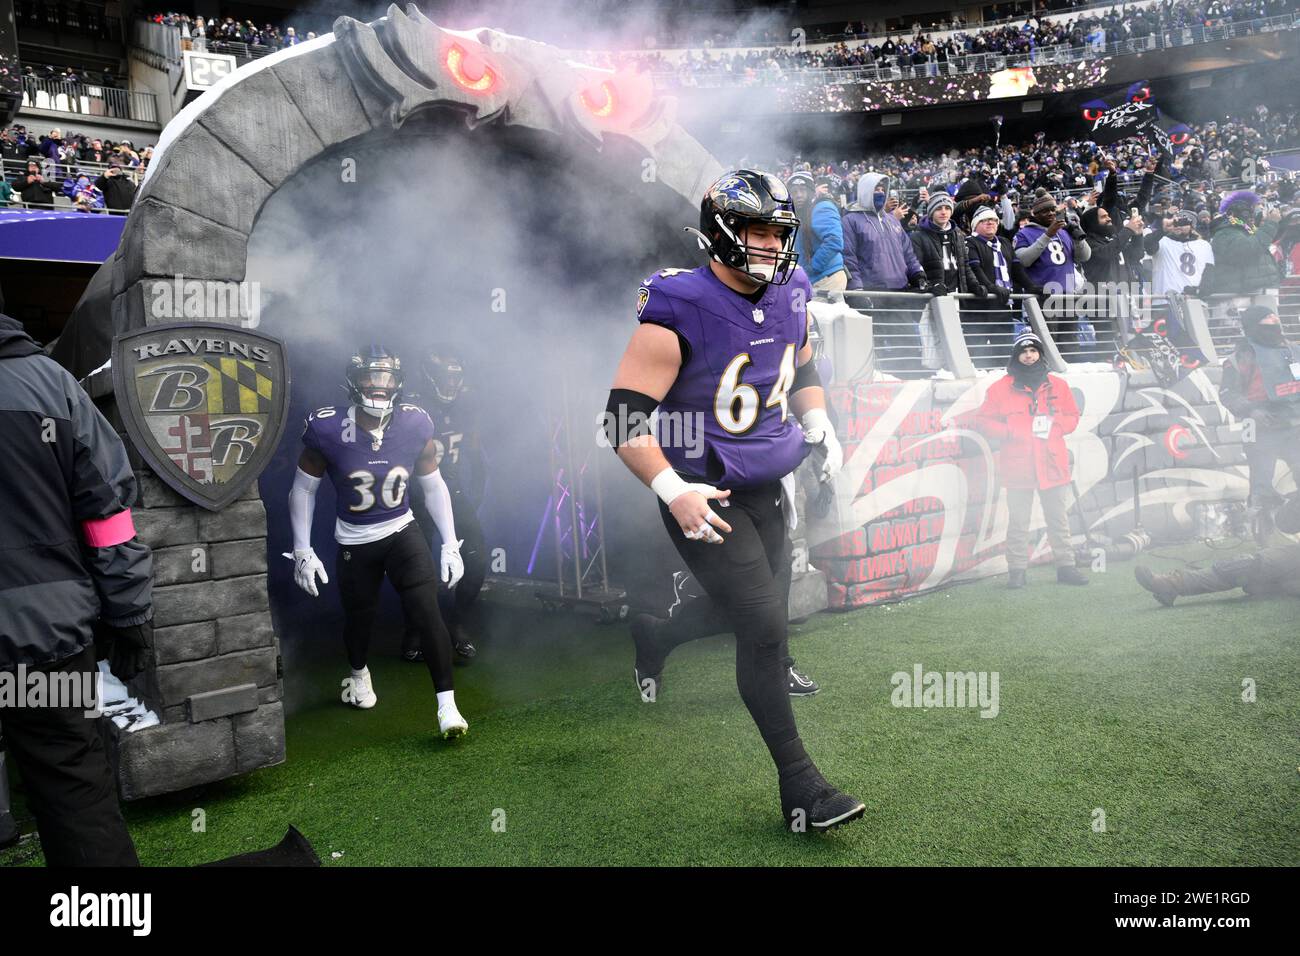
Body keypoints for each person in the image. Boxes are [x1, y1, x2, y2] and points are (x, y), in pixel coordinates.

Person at [605, 169, 864, 832]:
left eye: (781, 232)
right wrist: (672, 489)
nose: (773, 246)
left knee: (755, 620)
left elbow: (800, 364)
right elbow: (620, 422)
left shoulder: (792, 291)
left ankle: (658, 635)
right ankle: (802, 786)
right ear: (721, 232)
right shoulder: (679, 303)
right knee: (766, 629)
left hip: (766, 486)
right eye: (758, 231)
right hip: (703, 493)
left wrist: (817, 424)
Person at [0, 308, 151, 866]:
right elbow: (107, 511)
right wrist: (129, 612)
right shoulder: (49, 384)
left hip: (47, 631)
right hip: (49, 637)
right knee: (75, 791)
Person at [289, 346, 469, 738]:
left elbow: (434, 485)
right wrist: (302, 550)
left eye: (387, 378)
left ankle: (447, 708)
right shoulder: (328, 428)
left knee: (428, 612)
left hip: (402, 532)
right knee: (359, 619)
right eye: (372, 377)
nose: (380, 386)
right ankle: (358, 674)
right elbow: (303, 490)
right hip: (355, 542)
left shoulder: (414, 423)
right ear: (354, 382)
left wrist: (450, 542)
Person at [974, 330, 1089, 588]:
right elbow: (982, 421)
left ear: (1040, 354)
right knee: (1018, 522)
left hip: (1052, 461)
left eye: (1033, 351)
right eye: (1024, 352)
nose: (1028, 356)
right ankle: (1017, 571)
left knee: (1058, 518)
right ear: (1016, 356)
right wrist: (1011, 432)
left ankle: (1066, 567)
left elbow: (1072, 415)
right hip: (1018, 465)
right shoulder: (999, 388)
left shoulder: (1058, 385)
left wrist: (1055, 426)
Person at [403, 345, 485, 665]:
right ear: (428, 375)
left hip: (451, 492)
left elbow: (477, 455)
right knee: (417, 569)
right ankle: (415, 629)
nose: (451, 384)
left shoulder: (466, 404)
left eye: (456, 378)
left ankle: (457, 622)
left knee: (476, 561)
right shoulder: (408, 406)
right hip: (412, 496)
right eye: (445, 377)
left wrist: (473, 497)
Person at [1217, 305, 1300, 531]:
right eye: (1266, 318)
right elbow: (1227, 394)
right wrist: (1252, 410)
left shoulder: (1293, 350)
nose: (1273, 320)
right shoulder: (1240, 357)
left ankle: (1290, 523)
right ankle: (1262, 528)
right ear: (1254, 326)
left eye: (1274, 316)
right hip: (1256, 424)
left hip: (1294, 423)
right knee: (1261, 482)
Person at [1014, 192, 1092, 354]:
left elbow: (1085, 256)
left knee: (1070, 342)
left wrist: (1078, 237)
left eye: (1052, 210)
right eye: (1044, 211)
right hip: (1044, 296)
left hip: (1068, 295)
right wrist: (1048, 235)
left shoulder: (1064, 231)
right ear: (1034, 214)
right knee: (1047, 342)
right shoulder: (1024, 234)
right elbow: (1024, 260)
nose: (1050, 213)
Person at [966, 205, 1037, 368]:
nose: (989, 222)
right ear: (975, 224)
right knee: (979, 355)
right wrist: (992, 287)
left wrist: (1031, 286)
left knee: (1004, 352)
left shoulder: (1004, 242)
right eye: (984, 220)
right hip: (978, 309)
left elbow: (1017, 269)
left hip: (1003, 307)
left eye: (992, 219)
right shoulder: (970, 242)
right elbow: (974, 270)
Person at [1203, 190, 1282, 297]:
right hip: (1242, 294)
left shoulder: (1248, 230)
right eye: (1245, 211)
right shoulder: (1225, 232)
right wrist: (1271, 224)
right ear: (1231, 214)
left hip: (1260, 290)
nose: (1250, 214)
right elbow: (1249, 250)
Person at [786, 171, 848, 293]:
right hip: (812, 279)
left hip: (826, 277)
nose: (798, 195)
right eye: (794, 192)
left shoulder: (822, 207)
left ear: (811, 191)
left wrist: (812, 268)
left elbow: (834, 241)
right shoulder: (797, 215)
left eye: (802, 190)